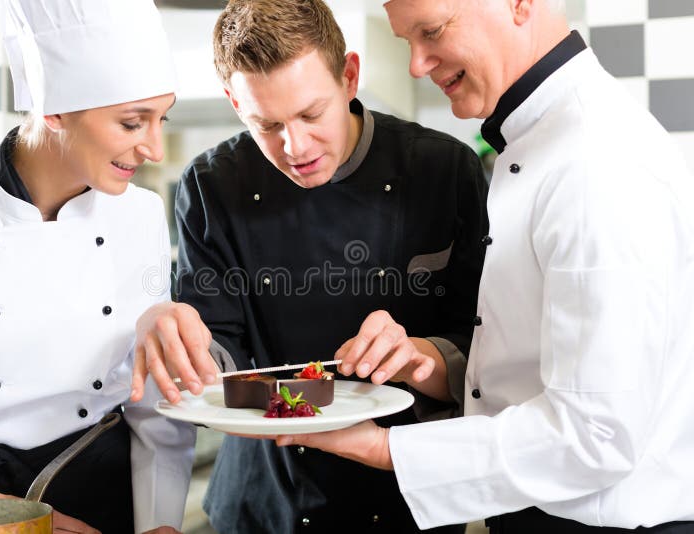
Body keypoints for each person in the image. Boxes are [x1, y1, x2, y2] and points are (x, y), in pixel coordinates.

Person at [272, 0, 694, 532]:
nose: (416, 65)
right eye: (408, 41)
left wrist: (386, 449)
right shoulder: (542, 141)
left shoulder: (596, 163)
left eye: (431, 31)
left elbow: (596, 437)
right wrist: (426, 363)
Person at [130, 0, 488, 532]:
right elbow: (219, 356)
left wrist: (420, 356)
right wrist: (186, 345)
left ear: (349, 77)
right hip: (262, 502)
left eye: (311, 114)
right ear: (234, 102)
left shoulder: (444, 170)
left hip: (409, 497)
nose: (294, 147)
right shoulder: (213, 185)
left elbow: (483, 353)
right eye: (267, 124)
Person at [0, 1, 196, 533]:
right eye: (131, 122)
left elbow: (151, 399)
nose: (153, 145)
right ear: (53, 110)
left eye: (161, 118)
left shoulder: (141, 214)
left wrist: (160, 523)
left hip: (104, 490)